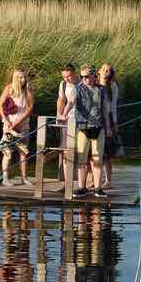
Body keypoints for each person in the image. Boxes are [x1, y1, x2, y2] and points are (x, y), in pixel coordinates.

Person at [72, 64, 107, 196]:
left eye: (87, 76)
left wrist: (108, 127)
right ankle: (82, 187)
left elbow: (105, 108)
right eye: (82, 76)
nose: (85, 79)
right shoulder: (78, 89)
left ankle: (98, 188)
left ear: (93, 75)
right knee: (82, 158)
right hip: (82, 127)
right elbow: (71, 101)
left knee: (98, 158)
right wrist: (63, 113)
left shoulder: (101, 90)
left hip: (98, 127)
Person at [0, 67, 33, 185]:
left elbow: (30, 108)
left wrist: (18, 123)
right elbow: (0, 105)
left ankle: (24, 177)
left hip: (23, 125)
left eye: (24, 77)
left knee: (23, 151)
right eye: (20, 77)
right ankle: (5, 178)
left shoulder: (28, 90)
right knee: (8, 152)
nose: (23, 80)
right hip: (9, 126)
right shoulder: (9, 88)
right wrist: (6, 121)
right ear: (15, 78)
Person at [55, 62, 80, 196]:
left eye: (69, 76)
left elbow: (71, 101)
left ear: (74, 73)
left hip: (81, 121)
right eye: (64, 77)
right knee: (65, 151)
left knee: (81, 152)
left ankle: (84, 183)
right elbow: (61, 99)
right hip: (67, 121)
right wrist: (59, 114)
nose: (67, 79)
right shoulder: (63, 84)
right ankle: (67, 183)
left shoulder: (82, 83)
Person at [97, 63, 121, 192]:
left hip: (108, 120)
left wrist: (114, 124)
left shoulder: (113, 86)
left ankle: (108, 181)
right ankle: (95, 180)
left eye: (108, 70)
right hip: (96, 119)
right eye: (104, 70)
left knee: (107, 153)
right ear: (99, 71)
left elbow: (113, 107)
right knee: (95, 153)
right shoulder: (94, 84)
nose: (106, 72)